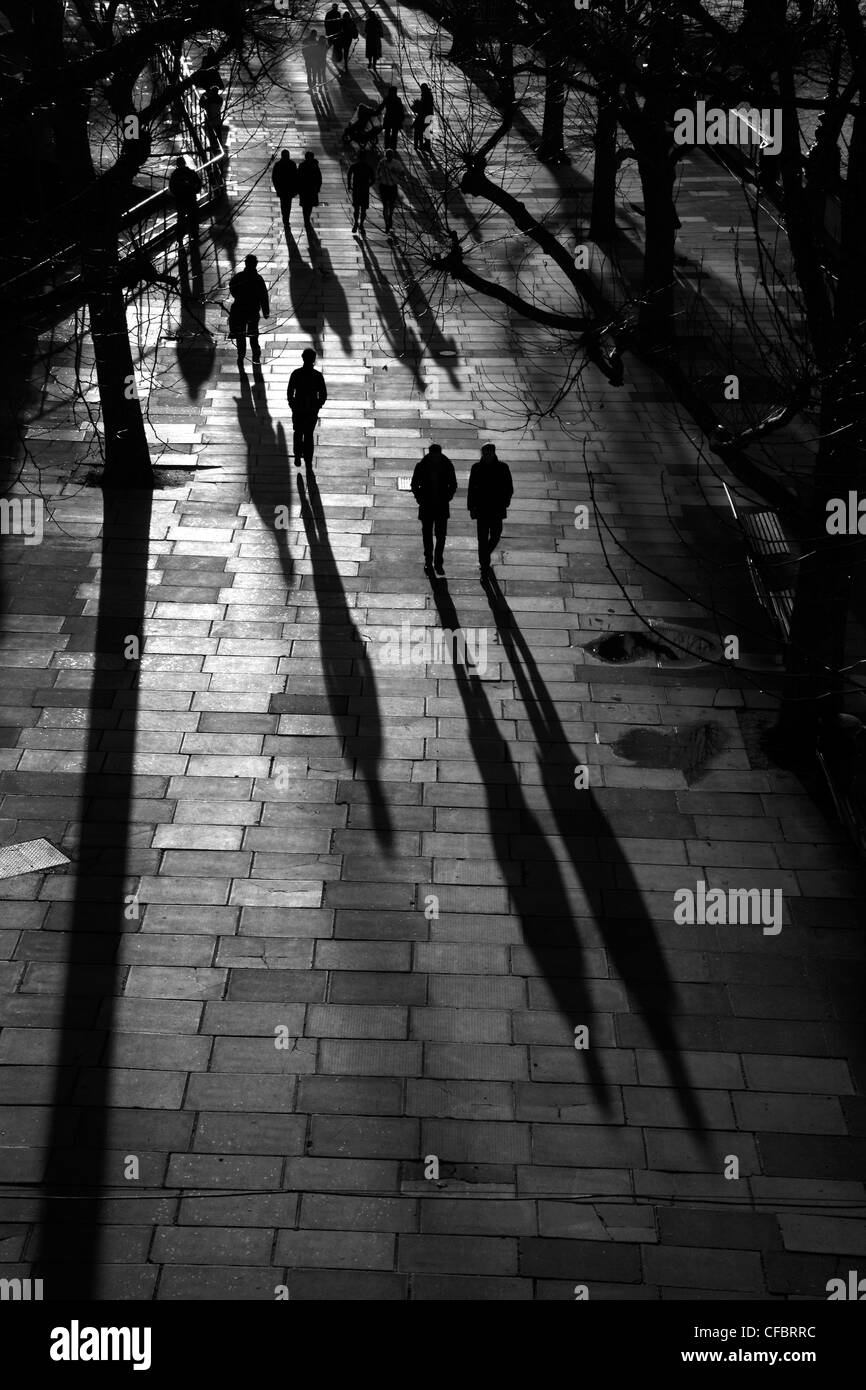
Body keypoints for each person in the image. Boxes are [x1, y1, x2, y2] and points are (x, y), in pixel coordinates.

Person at [467, 443, 513, 578]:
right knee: (482, 539)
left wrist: (505, 502)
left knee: (496, 535)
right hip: (481, 509)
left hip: (496, 508)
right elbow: (471, 489)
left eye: (488, 453)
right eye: (484, 453)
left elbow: (508, 487)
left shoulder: (503, 468)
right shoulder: (476, 468)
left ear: (493, 453)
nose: (486, 456)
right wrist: (471, 507)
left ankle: (484, 556)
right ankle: (484, 566)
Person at [410, 443, 457, 575]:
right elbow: (414, 484)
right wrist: (420, 498)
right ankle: (429, 560)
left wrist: (447, 497)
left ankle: (437, 561)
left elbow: (453, 484)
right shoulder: (422, 466)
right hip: (427, 505)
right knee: (428, 535)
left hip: (440, 506)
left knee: (440, 536)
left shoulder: (447, 465)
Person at [287, 347, 328, 468]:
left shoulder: (296, 373)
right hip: (311, 409)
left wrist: (292, 404)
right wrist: (318, 405)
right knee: (308, 434)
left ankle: (298, 454)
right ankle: (308, 458)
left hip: (299, 408)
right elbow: (323, 394)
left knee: (298, 432)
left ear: (303, 358)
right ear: (314, 360)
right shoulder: (317, 375)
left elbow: (290, 392)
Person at [228, 253, 270, 365]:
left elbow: (232, 287)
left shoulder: (239, 277)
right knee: (253, 335)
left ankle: (241, 355)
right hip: (253, 310)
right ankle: (256, 355)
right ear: (255, 265)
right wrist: (265, 311)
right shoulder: (258, 279)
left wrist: (238, 296)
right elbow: (264, 296)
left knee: (240, 334)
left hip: (240, 309)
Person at [168, 156, 202, 242]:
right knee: (193, 218)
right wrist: (195, 190)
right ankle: (194, 235)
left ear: (177, 164)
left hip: (180, 200)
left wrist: (177, 194)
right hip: (191, 198)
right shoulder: (191, 172)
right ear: (184, 163)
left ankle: (180, 237)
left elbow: (172, 187)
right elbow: (198, 184)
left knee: (181, 219)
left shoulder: (175, 174)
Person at [376, 147, 403, 233]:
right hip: (385, 186)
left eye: (390, 155)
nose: (389, 157)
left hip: (392, 186)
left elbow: (402, 172)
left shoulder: (396, 163)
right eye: (388, 155)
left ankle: (390, 217)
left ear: (393, 156)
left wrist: (397, 173)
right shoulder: (382, 162)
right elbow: (378, 172)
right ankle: (387, 222)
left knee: (391, 205)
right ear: (386, 155)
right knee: (385, 205)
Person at [347, 151, 375, 234]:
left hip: (357, 189)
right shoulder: (368, 167)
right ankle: (360, 224)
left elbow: (349, 174)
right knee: (362, 209)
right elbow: (373, 178)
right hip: (363, 190)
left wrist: (349, 185)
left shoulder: (355, 166)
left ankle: (357, 224)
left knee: (357, 208)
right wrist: (368, 185)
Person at [296, 149, 323, 229]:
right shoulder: (311, 165)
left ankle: (306, 219)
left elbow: (318, 178)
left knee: (308, 206)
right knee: (306, 206)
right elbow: (319, 177)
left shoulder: (308, 165)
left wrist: (318, 187)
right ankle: (306, 220)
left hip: (308, 189)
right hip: (307, 189)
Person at [272, 149, 298, 224]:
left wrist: (277, 188)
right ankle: (286, 219)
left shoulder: (278, 164)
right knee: (288, 205)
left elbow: (274, 177)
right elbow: (296, 177)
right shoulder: (292, 164)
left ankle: (285, 219)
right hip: (289, 189)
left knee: (283, 205)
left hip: (282, 189)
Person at [200, 86, 223, 155]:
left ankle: (213, 146)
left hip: (210, 118)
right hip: (217, 118)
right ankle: (218, 145)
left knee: (211, 133)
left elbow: (202, 105)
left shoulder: (209, 100)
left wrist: (203, 96)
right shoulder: (220, 99)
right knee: (218, 132)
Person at [412, 83, 435, 152]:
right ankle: (427, 144)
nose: (421, 90)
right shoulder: (428, 94)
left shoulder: (426, 94)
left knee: (426, 129)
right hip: (429, 114)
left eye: (421, 89)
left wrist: (418, 105)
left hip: (426, 115)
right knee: (426, 129)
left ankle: (427, 145)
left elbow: (424, 105)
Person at [337, 7, 358, 74]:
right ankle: (345, 63)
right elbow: (355, 29)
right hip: (348, 38)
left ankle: (341, 59)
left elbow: (338, 29)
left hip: (342, 38)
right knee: (346, 50)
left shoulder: (341, 21)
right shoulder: (351, 21)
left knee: (341, 49)